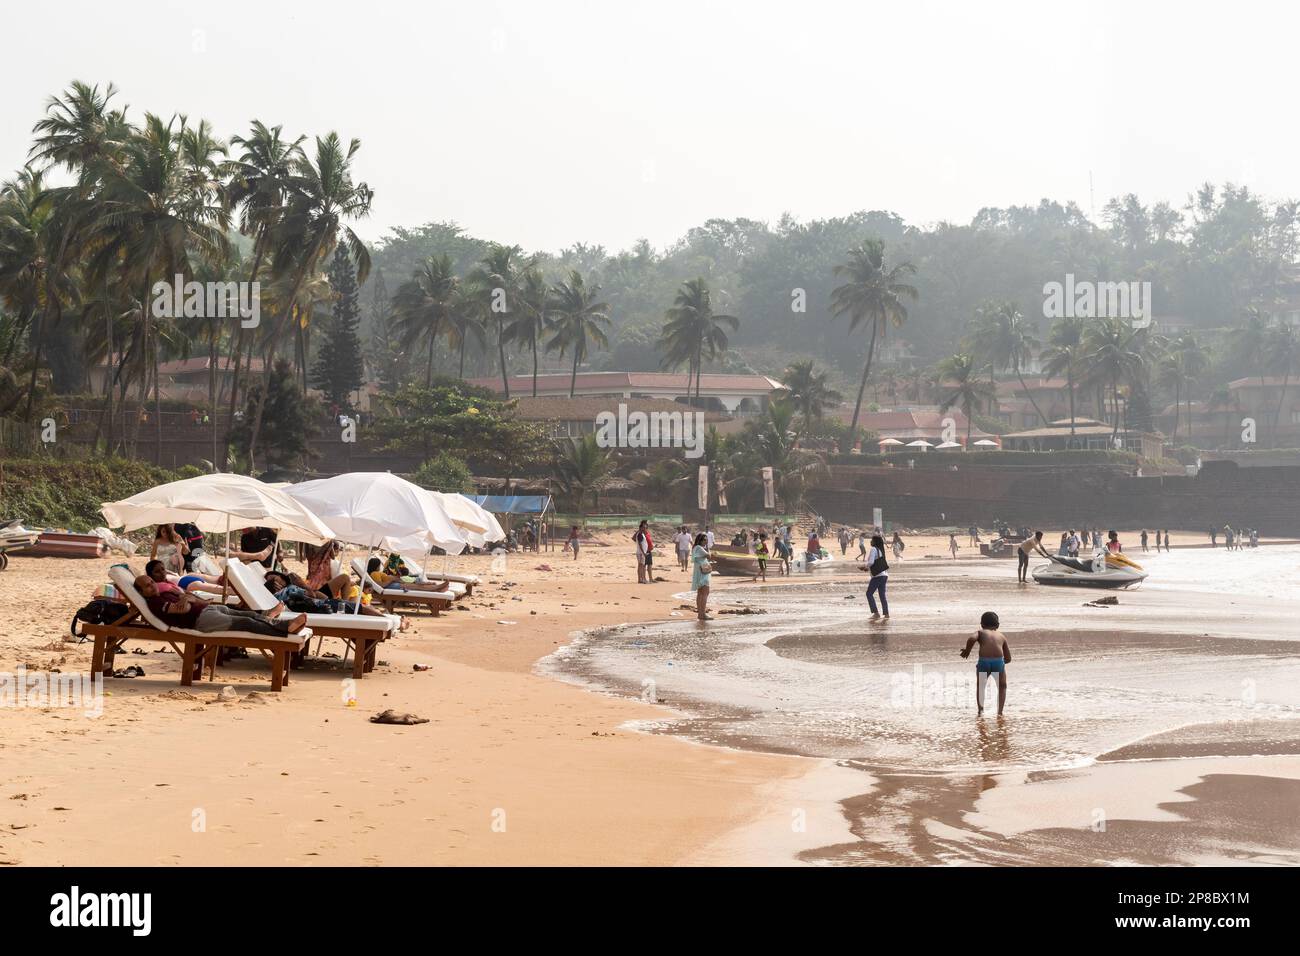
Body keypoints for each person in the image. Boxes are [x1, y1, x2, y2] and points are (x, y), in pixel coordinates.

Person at [135, 575, 305, 638]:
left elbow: (191, 598)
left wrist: (187, 597)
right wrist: (186, 599)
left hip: (207, 610)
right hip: (201, 620)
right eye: (148, 586)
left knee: (250, 615)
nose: (153, 585)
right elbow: (184, 608)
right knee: (247, 623)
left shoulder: (163, 595)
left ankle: (283, 625)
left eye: (152, 582)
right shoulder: (156, 603)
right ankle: (286, 628)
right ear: (142, 592)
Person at [960, 611, 1011, 717]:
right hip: (998, 663)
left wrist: (967, 651)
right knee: (1002, 686)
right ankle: (1000, 712)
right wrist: (1000, 663)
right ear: (998, 625)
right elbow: (1009, 658)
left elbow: (971, 638)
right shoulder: (1001, 636)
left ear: (982, 624)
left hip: (984, 662)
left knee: (981, 686)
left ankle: (981, 711)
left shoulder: (980, 632)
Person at [365, 557, 450, 592]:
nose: (380, 566)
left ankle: (437, 588)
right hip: (392, 586)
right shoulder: (374, 573)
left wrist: (393, 578)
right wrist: (391, 579)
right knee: (418, 586)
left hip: (395, 583)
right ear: (376, 566)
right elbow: (381, 585)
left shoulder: (375, 573)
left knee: (417, 584)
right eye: (379, 565)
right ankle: (438, 587)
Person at [865, 533, 889, 621]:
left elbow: (871, 562)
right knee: (882, 595)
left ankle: (876, 613)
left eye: (872, 540)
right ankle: (886, 614)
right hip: (884, 575)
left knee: (869, 593)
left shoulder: (873, 549)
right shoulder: (880, 550)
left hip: (878, 576)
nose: (870, 541)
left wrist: (865, 567)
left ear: (874, 542)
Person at [691, 532, 712, 622]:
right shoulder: (699, 548)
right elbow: (709, 556)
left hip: (699, 572)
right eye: (704, 539)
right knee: (705, 592)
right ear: (699, 540)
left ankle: (700, 613)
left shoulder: (696, 548)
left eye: (706, 539)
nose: (706, 541)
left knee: (700, 593)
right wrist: (708, 549)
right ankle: (702, 614)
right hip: (702, 573)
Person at [634, 520, 652, 584]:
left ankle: (641, 579)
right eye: (643, 527)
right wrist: (643, 553)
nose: (645, 528)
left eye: (645, 527)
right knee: (641, 566)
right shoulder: (640, 534)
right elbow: (640, 544)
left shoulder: (641, 534)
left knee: (641, 566)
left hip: (641, 552)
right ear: (640, 528)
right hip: (641, 553)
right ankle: (641, 579)